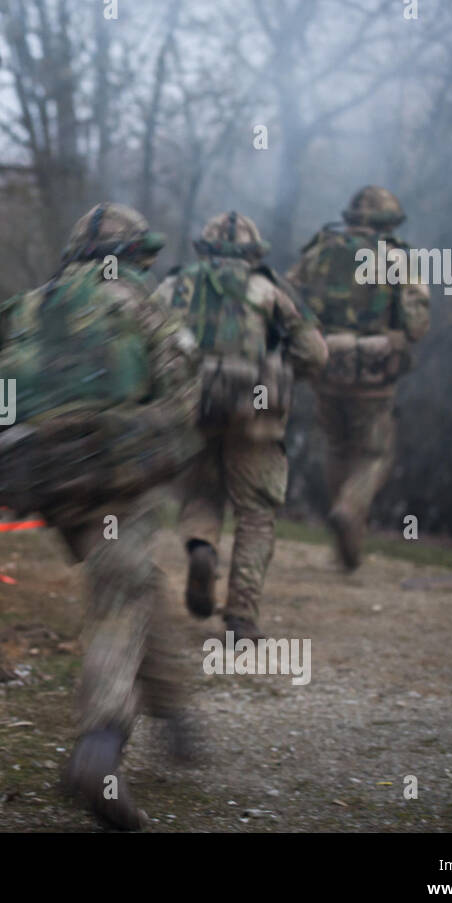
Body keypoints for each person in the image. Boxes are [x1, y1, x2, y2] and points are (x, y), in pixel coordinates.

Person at [0, 203, 205, 830]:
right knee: (119, 591)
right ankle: (99, 747)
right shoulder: (139, 301)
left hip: (46, 481)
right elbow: (184, 390)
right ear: (132, 255)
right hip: (118, 474)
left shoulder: (24, 307)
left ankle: (177, 716)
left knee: (125, 580)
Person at [155, 211, 326, 641]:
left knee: (200, 492)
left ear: (203, 249)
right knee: (255, 512)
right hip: (255, 412)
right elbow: (315, 352)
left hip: (191, 410)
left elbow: (144, 339)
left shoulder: (174, 285)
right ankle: (241, 617)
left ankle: (202, 549)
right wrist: (281, 370)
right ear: (254, 253)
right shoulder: (269, 289)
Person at [287, 186, 430, 569]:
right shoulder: (397, 257)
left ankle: (345, 535)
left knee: (336, 445)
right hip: (374, 372)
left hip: (326, 366)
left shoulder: (318, 251)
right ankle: (351, 511)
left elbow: (288, 302)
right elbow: (416, 323)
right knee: (373, 452)